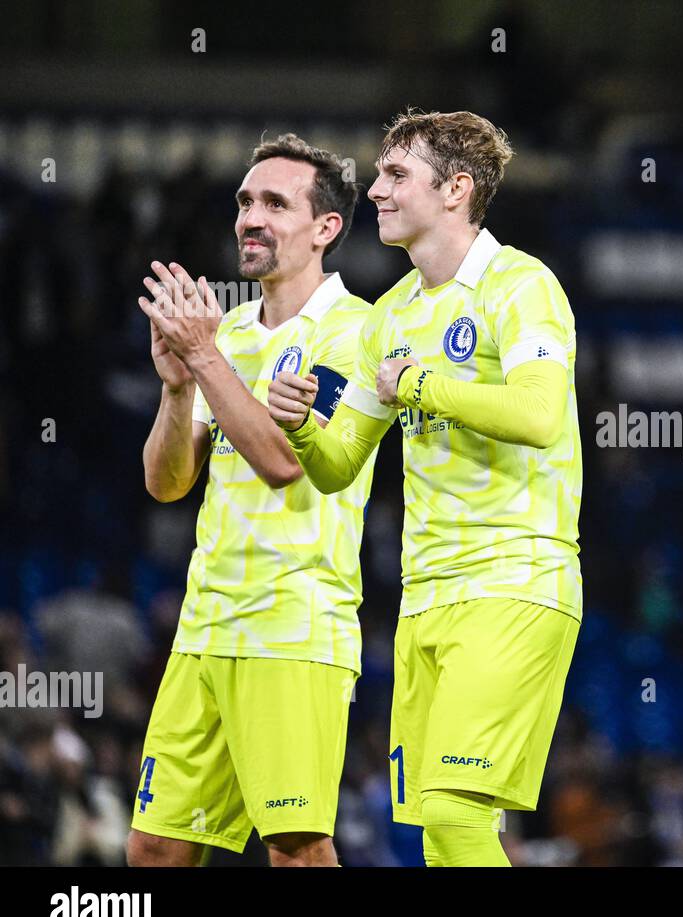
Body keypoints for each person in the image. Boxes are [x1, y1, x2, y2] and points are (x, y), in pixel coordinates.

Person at [267, 110, 582, 867]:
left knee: (452, 813)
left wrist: (422, 384)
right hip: (426, 597)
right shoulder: (390, 318)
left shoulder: (522, 287)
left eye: (395, 174)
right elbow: (342, 464)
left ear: (456, 189)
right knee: (439, 838)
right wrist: (305, 426)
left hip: (516, 577)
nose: (374, 189)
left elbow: (539, 416)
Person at [131, 134, 374, 866]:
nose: (250, 219)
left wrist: (202, 358)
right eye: (244, 202)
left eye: (274, 203)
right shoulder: (228, 333)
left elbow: (280, 463)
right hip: (207, 625)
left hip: (293, 627)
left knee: (296, 850)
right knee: (153, 850)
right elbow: (167, 482)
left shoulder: (356, 332)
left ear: (325, 228)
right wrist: (178, 389)